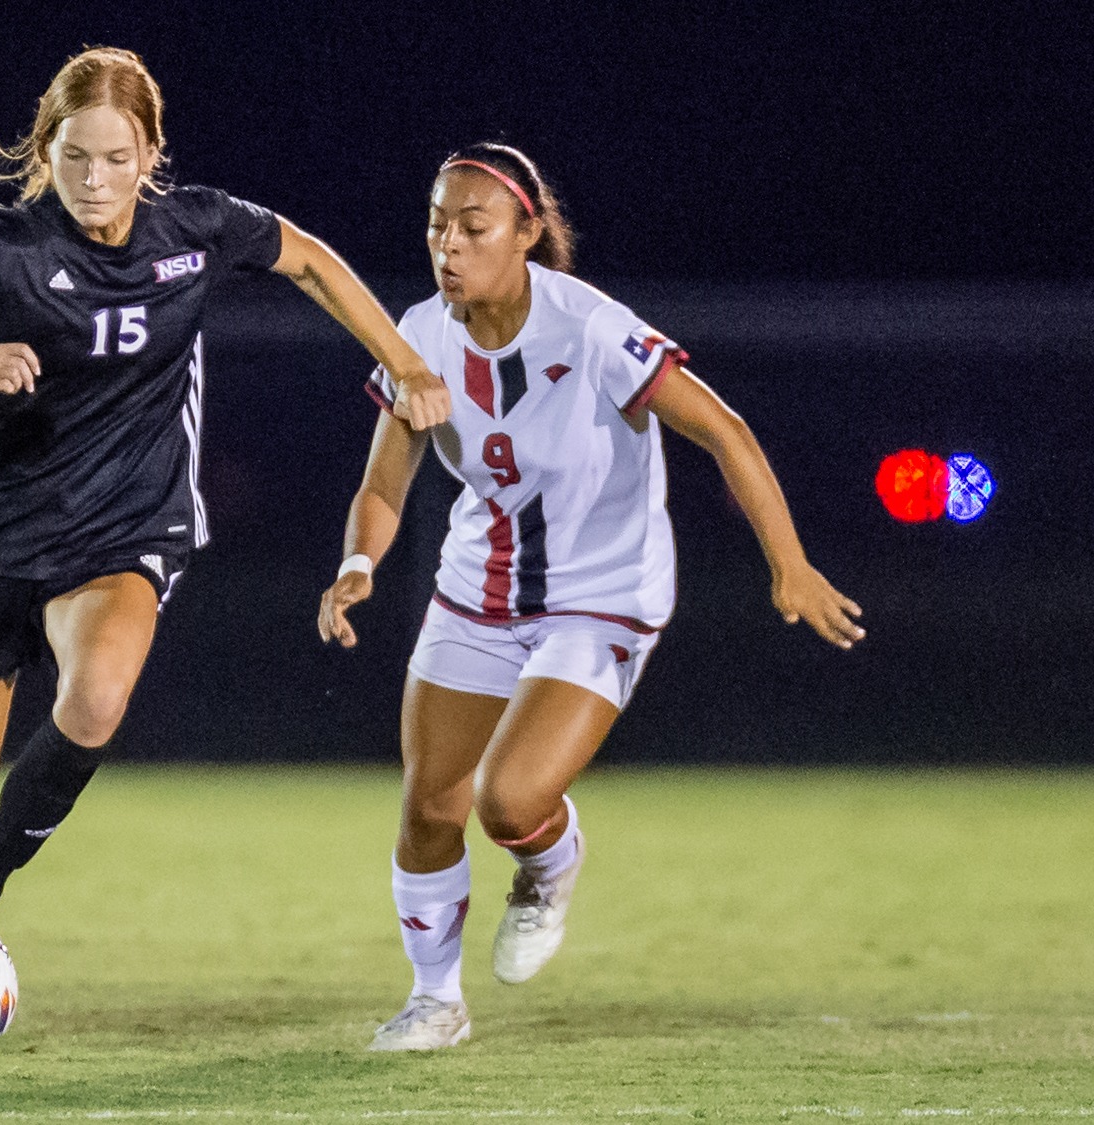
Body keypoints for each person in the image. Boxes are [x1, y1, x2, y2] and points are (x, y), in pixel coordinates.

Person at [0, 45, 450, 1033]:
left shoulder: (196, 230)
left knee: (96, 696)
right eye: (75, 157)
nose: (94, 180)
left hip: (125, 530)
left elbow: (305, 257)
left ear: (149, 156)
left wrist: (403, 359)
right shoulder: (5, 250)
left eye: (115, 156)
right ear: (44, 152)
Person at [318, 142, 865, 1052]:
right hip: (477, 593)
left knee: (508, 799)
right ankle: (434, 1002)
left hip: (601, 595)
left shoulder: (590, 329)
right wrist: (360, 564)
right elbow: (386, 482)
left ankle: (549, 859)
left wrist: (790, 564)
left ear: (527, 232)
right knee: (428, 807)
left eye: (473, 226)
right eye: (436, 225)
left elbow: (724, 431)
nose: (448, 244)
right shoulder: (419, 333)